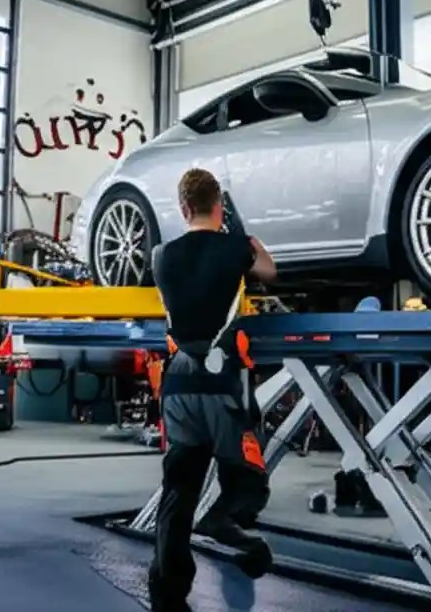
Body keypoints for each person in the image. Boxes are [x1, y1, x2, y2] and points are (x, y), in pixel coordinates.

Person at [147, 168, 278, 612]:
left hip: (179, 383)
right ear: (219, 207)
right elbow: (270, 270)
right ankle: (224, 517)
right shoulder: (235, 249)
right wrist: (242, 236)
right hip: (222, 383)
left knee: (178, 491)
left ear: (183, 208)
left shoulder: (161, 255)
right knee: (247, 480)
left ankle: (167, 596)